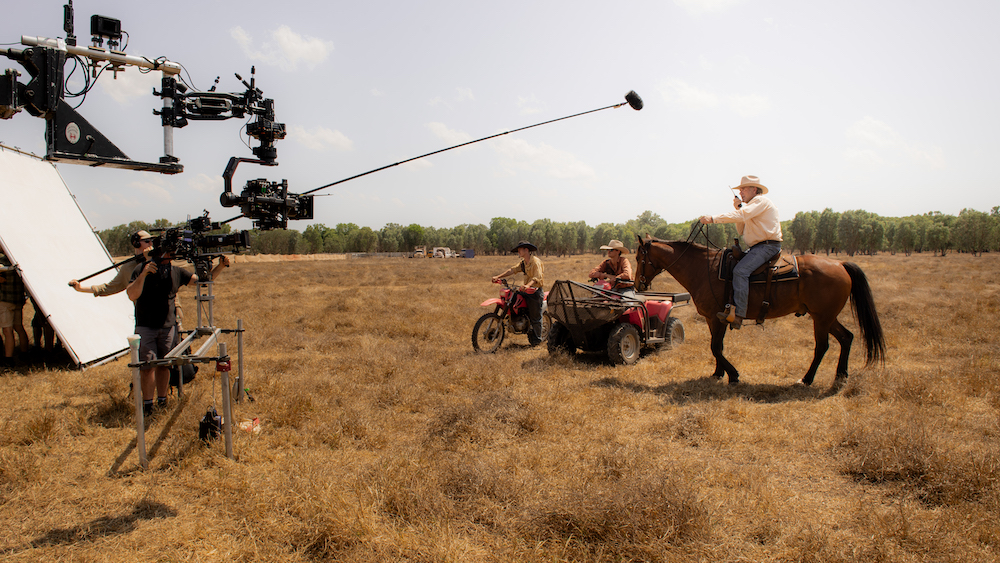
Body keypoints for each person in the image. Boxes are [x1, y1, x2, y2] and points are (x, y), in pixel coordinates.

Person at [127, 250, 230, 416]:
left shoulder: (176, 271)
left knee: (164, 365)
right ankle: (148, 406)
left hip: (168, 327)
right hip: (145, 327)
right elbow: (132, 294)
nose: (171, 254)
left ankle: (162, 401)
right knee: (147, 367)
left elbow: (203, 281)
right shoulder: (141, 269)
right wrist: (144, 273)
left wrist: (221, 266)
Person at [700, 175, 782, 329]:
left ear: (754, 189)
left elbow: (742, 216)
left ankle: (739, 314)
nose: (741, 192)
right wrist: (739, 209)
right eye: (740, 189)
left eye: (744, 189)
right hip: (758, 247)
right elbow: (741, 227)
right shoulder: (751, 207)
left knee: (740, 271)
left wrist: (713, 218)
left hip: (767, 247)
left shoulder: (760, 201)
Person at [491, 240, 545, 345]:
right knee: (513, 298)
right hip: (526, 290)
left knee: (535, 317)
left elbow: (537, 277)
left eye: (520, 249)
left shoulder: (535, 262)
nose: (518, 251)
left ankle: (537, 341)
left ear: (526, 250)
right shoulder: (523, 263)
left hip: (535, 292)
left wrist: (528, 285)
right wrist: (498, 277)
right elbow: (512, 270)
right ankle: (516, 322)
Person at [69, 230, 153, 296]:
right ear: (136, 244)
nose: (151, 244)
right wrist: (80, 288)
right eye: (147, 241)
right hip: (142, 315)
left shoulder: (158, 261)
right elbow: (110, 288)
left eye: (152, 240)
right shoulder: (128, 267)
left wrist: (150, 259)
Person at [0, 256, 30, 370]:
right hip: (18, 300)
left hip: (6, 301)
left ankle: (8, 359)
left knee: (7, 331)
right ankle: (24, 353)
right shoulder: (19, 259)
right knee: (19, 327)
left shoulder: (3, 261)